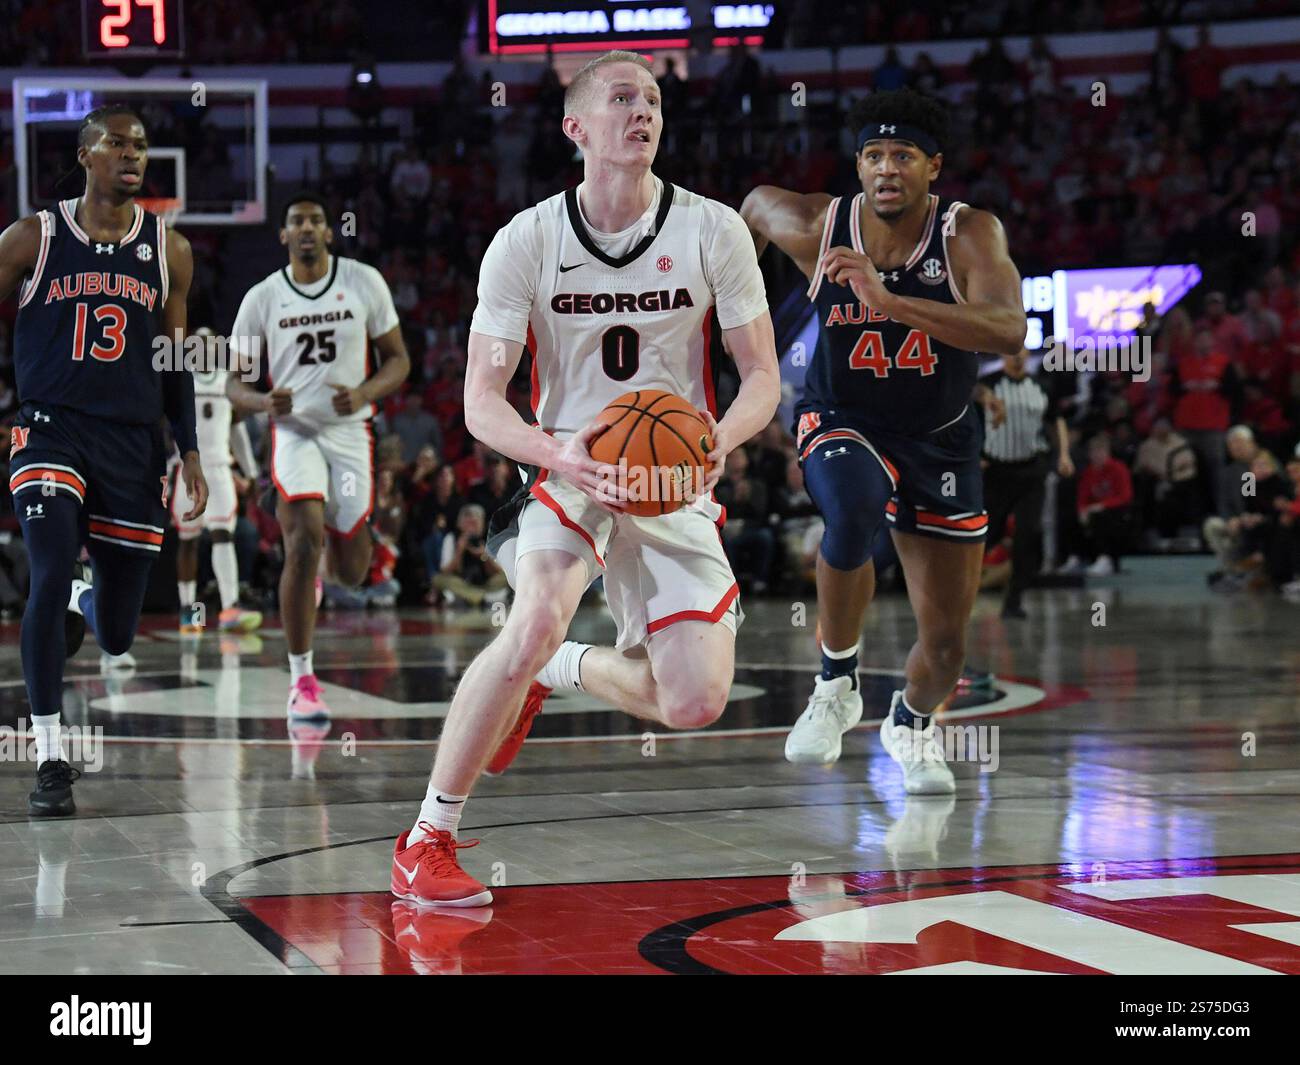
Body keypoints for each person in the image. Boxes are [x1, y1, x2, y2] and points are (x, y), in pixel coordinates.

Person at [390, 51, 778, 906]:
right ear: (576, 128)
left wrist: (719, 437)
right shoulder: (525, 240)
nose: (642, 112)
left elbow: (761, 378)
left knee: (693, 700)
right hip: (571, 466)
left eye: (652, 100)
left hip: (674, 471)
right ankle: (427, 837)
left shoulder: (714, 230)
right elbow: (481, 404)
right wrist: (559, 455)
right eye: (621, 99)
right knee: (530, 615)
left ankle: (555, 669)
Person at [742, 88, 1026, 787]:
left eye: (902, 155)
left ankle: (911, 720)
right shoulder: (819, 224)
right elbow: (750, 208)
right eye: (873, 154)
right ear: (859, 163)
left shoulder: (969, 234)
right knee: (852, 508)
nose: (886, 168)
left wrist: (892, 302)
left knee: (947, 644)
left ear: (934, 166)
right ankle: (836, 680)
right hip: (845, 417)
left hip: (941, 436)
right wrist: (737, 319)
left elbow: (1009, 329)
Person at [0, 105, 207, 815]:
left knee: (118, 635)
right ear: (86, 153)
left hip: (131, 442)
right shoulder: (34, 236)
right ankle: (52, 754)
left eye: (141, 146)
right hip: (50, 430)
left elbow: (176, 360)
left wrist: (193, 450)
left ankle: (90, 601)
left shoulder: (169, 250)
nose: (132, 154)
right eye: (117, 143)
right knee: (48, 569)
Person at [226, 191, 410, 718]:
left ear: (329, 232)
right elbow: (232, 386)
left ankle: (335, 545)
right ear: (283, 236)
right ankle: (302, 680)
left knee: (352, 571)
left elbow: (399, 361)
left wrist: (367, 392)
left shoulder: (363, 282)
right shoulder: (261, 298)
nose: (306, 229)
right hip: (294, 433)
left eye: (315, 221)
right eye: (296, 222)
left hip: (351, 433)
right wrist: (262, 400)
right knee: (302, 541)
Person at [171, 326, 263, 634]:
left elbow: (237, 431)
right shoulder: (180, 380)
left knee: (224, 535)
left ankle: (230, 608)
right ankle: (189, 611)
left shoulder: (227, 382)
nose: (204, 350)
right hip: (188, 469)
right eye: (198, 345)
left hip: (221, 470)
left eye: (210, 345)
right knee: (188, 541)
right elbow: (165, 429)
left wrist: (250, 472)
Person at [976, 347, 1072, 618]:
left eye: (1021, 352)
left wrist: (1063, 454)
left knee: (1027, 533)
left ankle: (1015, 599)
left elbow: (1056, 420)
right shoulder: (989, 384)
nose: (1017, 357)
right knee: (985, 534)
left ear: (1028, 355)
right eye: (1011, 352)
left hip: (1032, 469)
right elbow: (971, 399)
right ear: (1003, 355)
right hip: (997, 470)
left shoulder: (1041, 385)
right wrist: (977, 454)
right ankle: (961, 591)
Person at [1076, 434, 1133, 575]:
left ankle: (1105, 559)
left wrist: (1102, 505)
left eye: (1101, 452)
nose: (1097, 456)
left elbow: (1125, 496)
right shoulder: (1088, 472)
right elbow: (1082, 497)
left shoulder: (1119, 468)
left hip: (1117, 510)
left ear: (1107, 453)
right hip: (1094, 510)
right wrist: (1082, 511)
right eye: (1094, 452)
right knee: (1073, 518)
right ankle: (1076, 557)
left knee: (1101, 517)